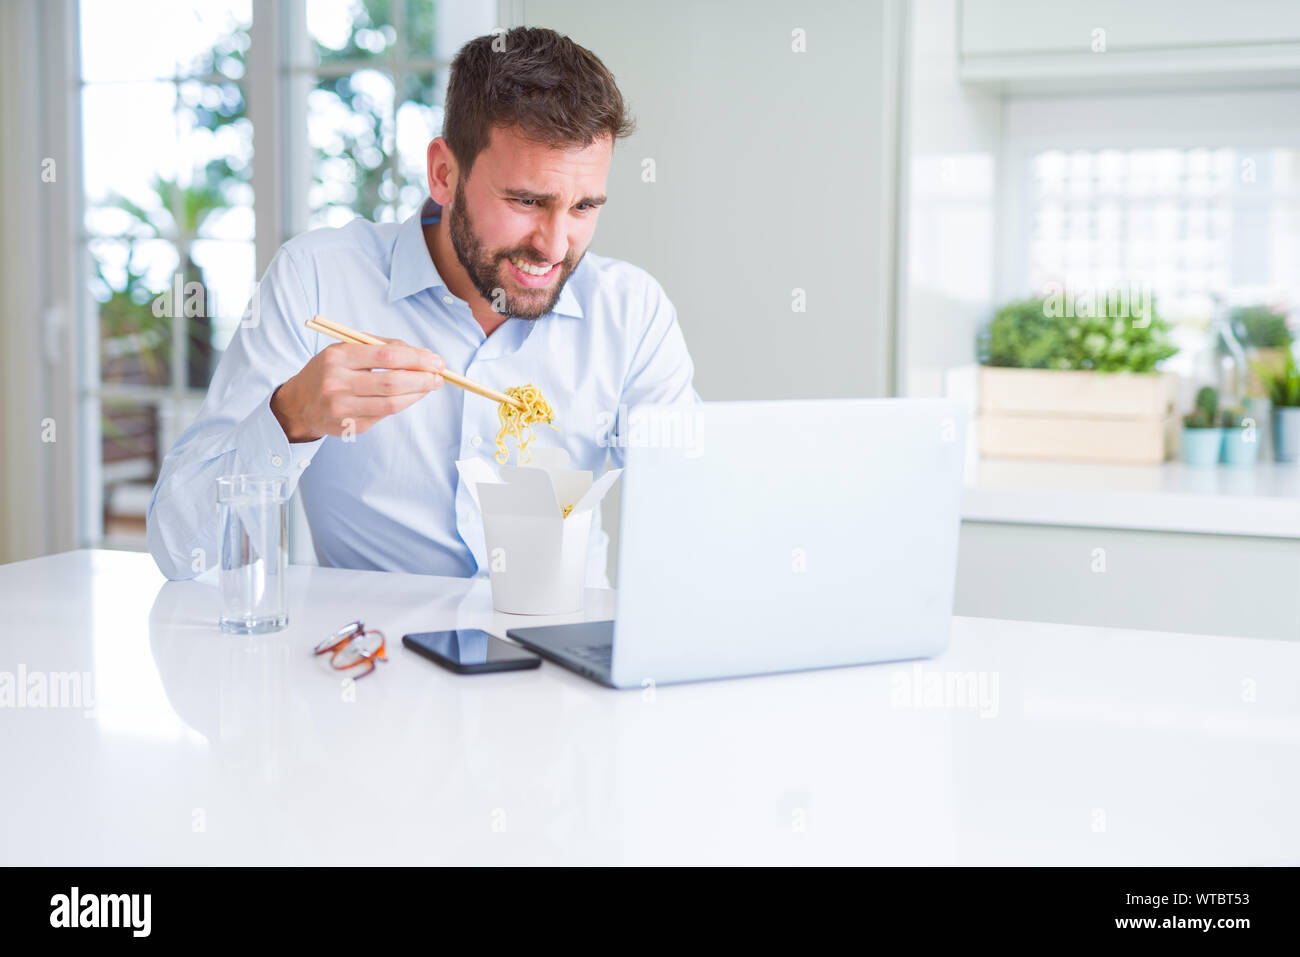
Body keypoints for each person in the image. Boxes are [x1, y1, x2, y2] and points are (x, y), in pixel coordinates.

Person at [146, 26, 700, 586]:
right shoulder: (316, 279)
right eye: (527, 201)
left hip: (563, 659)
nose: (554, 246)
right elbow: (182, 552)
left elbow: (694, 509)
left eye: (583, 206)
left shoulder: (632, 313)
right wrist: (290, 419)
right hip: (375, 661)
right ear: (444, 173)